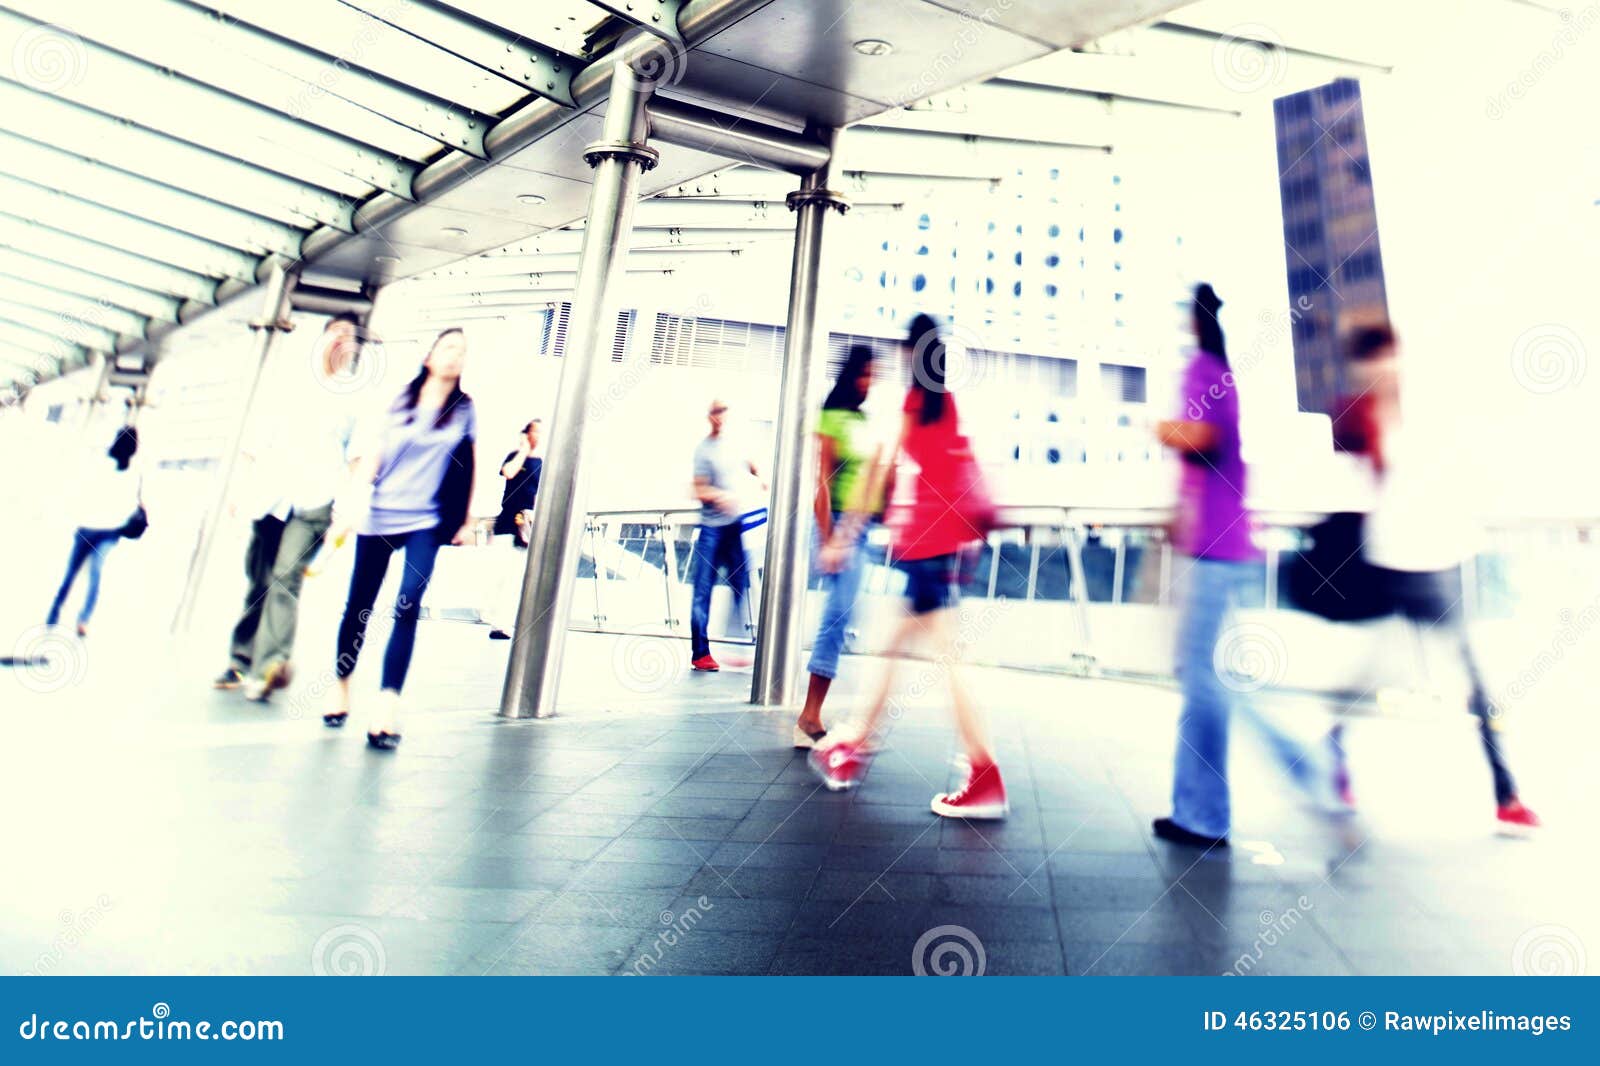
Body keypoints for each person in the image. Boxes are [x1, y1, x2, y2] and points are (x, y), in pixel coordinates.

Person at [1151, 284, 1340, 850]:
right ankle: (1225, 803)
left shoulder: (1201, 369)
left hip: (1214, 545)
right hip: (1225, 540)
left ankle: (1212, 813)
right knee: (1214, 678)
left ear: (1193, 319)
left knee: (1205, 681)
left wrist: (1158, 428)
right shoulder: (1222, 372)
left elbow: (1203, 439)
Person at [1333, 324, 1540, 831]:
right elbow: (1352, 468)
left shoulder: (1428, 414)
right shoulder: (1361, 418)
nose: (1380, 370)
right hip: (1389, 564)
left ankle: (1506, 794)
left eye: (1386, 358)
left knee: (1476, 682)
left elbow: (1460, 471)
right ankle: (1332, 756)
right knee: (1374, 674)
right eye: (1369, 362)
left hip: (1436, 564)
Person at [810, 315, 1007, 819]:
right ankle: (854, 747)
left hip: (927, 550)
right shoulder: (945, 404)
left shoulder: (916, 404)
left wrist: (844, 535)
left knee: (941, 660)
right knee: (895, 649)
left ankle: (983, 772)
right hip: (935, 550)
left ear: (909, 353)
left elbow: (879, 470)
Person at [324, 328, 476, 749]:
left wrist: (462, 520)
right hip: (379, 515)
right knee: (359, 606)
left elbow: (467, 463)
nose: (454, 356)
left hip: (425, 520)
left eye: (461, 352)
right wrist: (351, 507)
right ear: (428, 356)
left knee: (408, 603)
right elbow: (372, 458)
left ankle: (387, 708)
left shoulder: (464, 409)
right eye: (447, 347)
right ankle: (341, 682)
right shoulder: (398, 402)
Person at [213, 313, 361, 702]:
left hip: (314, 503)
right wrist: (237, 491)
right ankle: (241, 658)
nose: (342, 341)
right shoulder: (291, 388)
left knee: (284, 578)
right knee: (259, 580)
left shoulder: (356, 399)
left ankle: (269, 667)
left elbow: (357, 460)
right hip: (270, 496)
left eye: (350, 337)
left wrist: (345, 511)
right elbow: (254, 443)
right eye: (336, 334)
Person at [794, 345, 880, 749]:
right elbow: (824, 480)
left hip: (862, 524)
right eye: (865, 374)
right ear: (851, 374)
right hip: (839, 526)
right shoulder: (831, 417)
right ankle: (810, 716)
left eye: (873, 375)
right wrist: (827, 537)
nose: (869, 382)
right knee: (838, 613)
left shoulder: (863, 419)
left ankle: (814, 715)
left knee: (843, 613)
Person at [689, 398, 764, 672]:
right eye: (716, 412)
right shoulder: (703, 450)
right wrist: (718, 496)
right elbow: (697, 489)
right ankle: (700, 653)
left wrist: (762, 477)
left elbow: (752, 466)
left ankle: (738, 644)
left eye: (724, 411)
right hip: (712, 530)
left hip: (735, 527)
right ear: (709, 416)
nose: (720, 417)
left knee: (740, 585)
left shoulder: (736, 445)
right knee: (702, 592)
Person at [46, 427, 142, 638]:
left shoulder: (115, 467)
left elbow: (88, 492)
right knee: (90, 574)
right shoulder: (119, 468)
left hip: (98, 528)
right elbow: (130, 501)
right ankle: (74, 617)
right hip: (102, 529)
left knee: (75, 573)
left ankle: (64, 615)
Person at [483, 418, 543, 640]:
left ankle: (505, 623)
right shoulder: (515, 457)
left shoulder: (542, 464)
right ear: (526, 434)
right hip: (507, 522)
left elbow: (538, 494)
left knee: (517, 576)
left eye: (540, 433)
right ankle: (497, 622)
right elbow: (508, 472)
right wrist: (523, 450)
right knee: (502, 575)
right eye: (534, 432)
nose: (537, 436)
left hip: (526, 524)